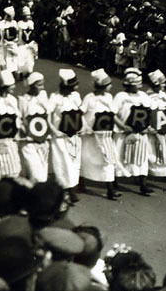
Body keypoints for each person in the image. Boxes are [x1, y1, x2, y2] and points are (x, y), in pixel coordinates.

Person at [112, 68, 155, 196]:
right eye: (136, 84)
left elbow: (150, 112)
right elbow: (112, 114)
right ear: (129, 84)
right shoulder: (120, 96)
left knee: (142, 158)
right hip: (123, 131)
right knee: (118, 156)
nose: (139, 86)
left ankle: (143, 184)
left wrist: (148, 126)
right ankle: (113, 181)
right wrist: (122, 126)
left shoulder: (144, 96)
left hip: (140, 132)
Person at [79, 69, 121, 200]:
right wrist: (85, 127)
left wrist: (122, 126)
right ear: (102, 86)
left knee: (108, 159)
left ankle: (110, 189)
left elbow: (112, 114)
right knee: (85, 158)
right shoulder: (89, 98)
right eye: (108, 84)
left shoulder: (109, 98)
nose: (111, 86)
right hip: (90, 135)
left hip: (105, 135)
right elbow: (80, 113)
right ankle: (81, 183)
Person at [48, 69, 84, 203]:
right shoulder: (55, 98)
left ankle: (71, 189)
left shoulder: (75, 96)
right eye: (74, 85)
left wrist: (83, 126)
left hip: (74, 135)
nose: (76, 87)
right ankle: (67, 192)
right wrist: (53, 130)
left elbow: (80, 113)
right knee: (63, 163)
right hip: (60, 136)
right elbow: (47, 116)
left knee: (74, 163)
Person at [17, 72, 51, 183]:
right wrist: (24, 129)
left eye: (43, 84)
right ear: (31, 85)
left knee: (43, 169)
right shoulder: (22, 99)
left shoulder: (43, 95)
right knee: (37, 173)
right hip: (29, 140)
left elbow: (48, 112)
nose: (43, 87)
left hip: (43, 139)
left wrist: (42, 103)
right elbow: (19, 118)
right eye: (39, 85)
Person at [16, 7, 37, 80]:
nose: (28, 17)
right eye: (26, 15)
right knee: (21, 59)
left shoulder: (31, 23)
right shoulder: (19, 23)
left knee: (30, 59)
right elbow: (19, 33)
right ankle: (21, 73)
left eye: (29, 15)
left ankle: (29, 72)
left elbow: (32, 33)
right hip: (21, 43)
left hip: (29, 44)